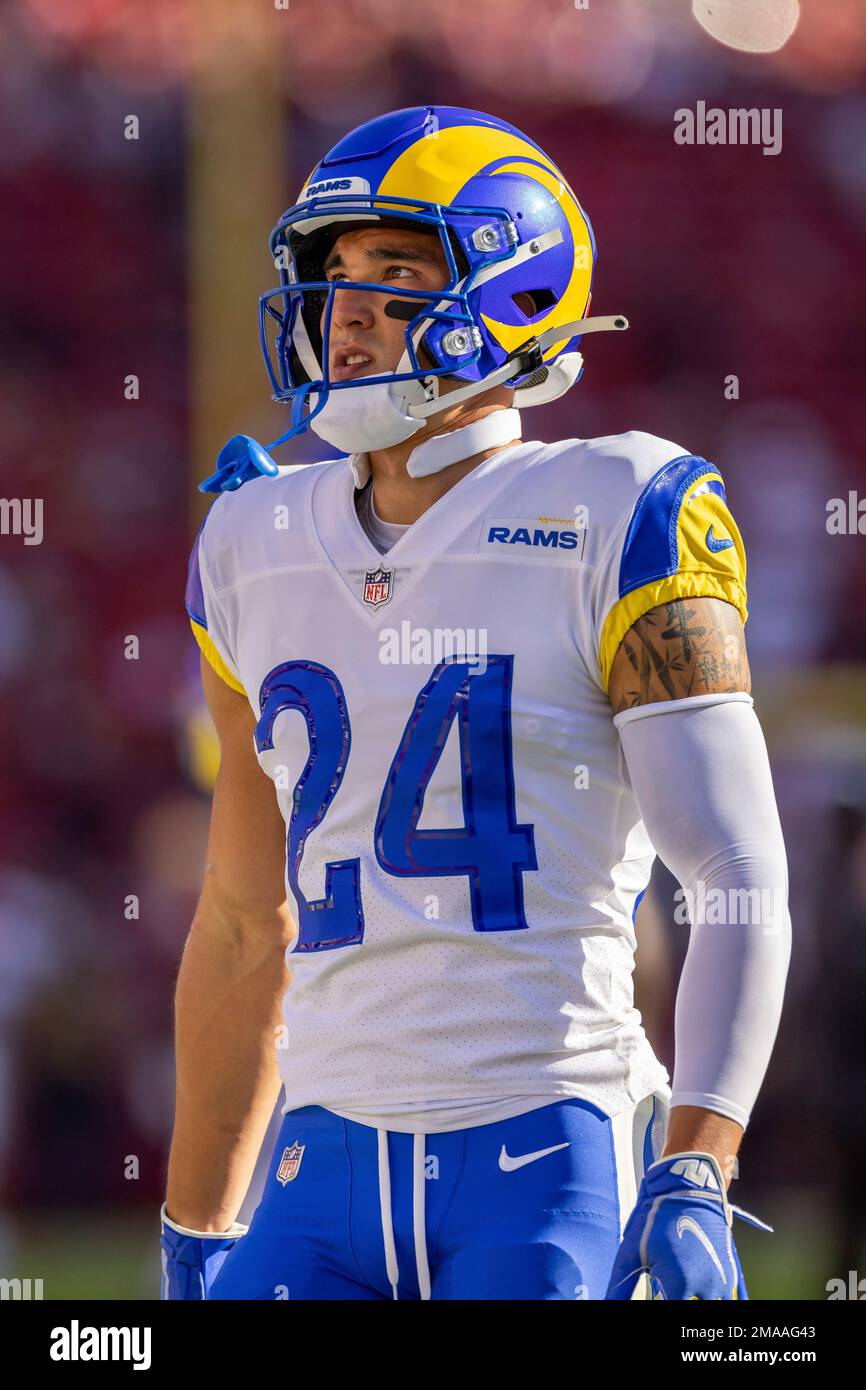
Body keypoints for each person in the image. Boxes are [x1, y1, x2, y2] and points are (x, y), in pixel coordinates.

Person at [161, 105, 790, 1300]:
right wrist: (193, 1231)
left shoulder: (620, 504)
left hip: (550, 1154)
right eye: (335, 272)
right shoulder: (251, 538)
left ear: (513, 291)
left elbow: (733, 868)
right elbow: (245, 922)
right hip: (318, 1162)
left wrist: (697, 1163)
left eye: (396, 271)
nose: (346, 311)